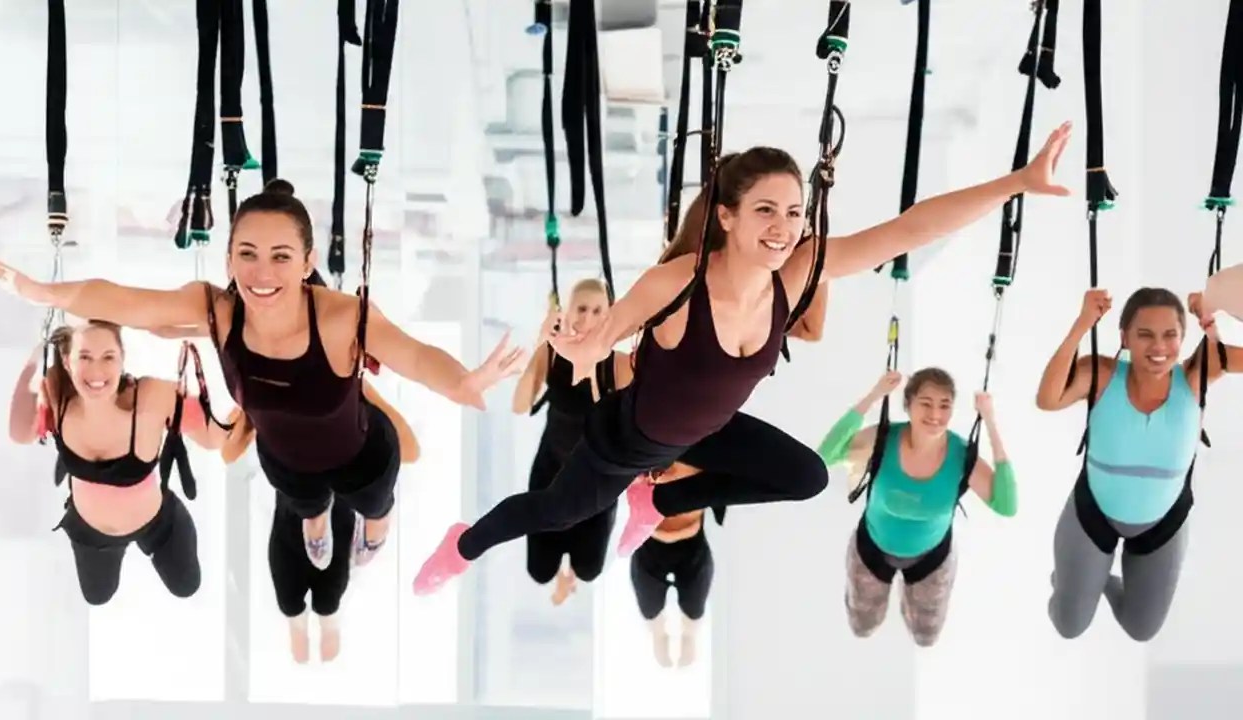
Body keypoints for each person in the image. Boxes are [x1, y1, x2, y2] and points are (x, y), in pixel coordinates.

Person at [411, 122, 1075, 596]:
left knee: (808, 475)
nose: (784, 225)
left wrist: (1015, 182)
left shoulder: (799, 270)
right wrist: (582, 347)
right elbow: (609, 332)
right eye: (765, 210)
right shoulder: (680, 283)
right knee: (557, 511)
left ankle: (662, 498)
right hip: (626, 438)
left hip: (709, 430)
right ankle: (462, 545)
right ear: (727, 216)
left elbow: (907, 229)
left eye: (793, 210)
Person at [0, 179, 524, 574]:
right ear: (230, 259)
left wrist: (461, 382)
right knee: (306, 507)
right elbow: (121, 300)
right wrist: (44, 293)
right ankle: (315, 524)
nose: (262, 273)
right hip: (284, 460)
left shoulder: (339, 318)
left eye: (281, 256)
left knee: (375, 507)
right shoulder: (216, 309)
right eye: (247, 254)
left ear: (308, 262)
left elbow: (417, 355)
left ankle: (373, 532)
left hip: (361, 453)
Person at [1036, 287, 1243, 641]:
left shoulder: (1194, 377)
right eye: (1144, 334)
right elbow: (1048, 399)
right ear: (1125, 338)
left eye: (1170, 335)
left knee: (1141, 629)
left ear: (1183, 338)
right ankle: (1072, 583)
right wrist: (1081, 324)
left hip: (1163, 524)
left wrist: (1214, 313)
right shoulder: (1103, 374)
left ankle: (1096, 581)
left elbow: (1228, 356)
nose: (1158, 347)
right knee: (1069, 625)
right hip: (1093, 515)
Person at [7, 321, 227, 605]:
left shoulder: (151, 398)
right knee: (97, 596)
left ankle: (170, 513)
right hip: (90, 530)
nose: (96, 371)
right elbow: (20, 432)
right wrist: (36, 356)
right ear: (67, 360)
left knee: (187, 585)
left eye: (108, 357)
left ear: (122, 358)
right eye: (84, 357)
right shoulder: (58, 396)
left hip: (156, 521)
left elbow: (214, 437)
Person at [218, 386, 421, 664]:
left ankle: (326, 624)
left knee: (328, 598)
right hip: (298, 506)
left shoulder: (347, 385)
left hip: (333, 506)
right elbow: (229, 452)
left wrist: (362, 390)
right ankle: (300, 626)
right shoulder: (269, 388)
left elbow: (408, 450)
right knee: (289, 598)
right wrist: (251, 411)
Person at [817, 368, 1016, 646]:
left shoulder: (961, 455)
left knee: (926, 637)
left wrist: (991, 422)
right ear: (908, 405)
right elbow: (825, 455)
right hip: (871, 550)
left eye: (944, 405)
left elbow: (1006, 505)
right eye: (926, 403)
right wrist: (874, 395)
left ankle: (910, 604)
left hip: (931, 560)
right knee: (862, 626)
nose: (935, 414)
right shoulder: (884, 440)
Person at [511, 278, 635, 605]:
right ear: (566, 313)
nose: (588, 318)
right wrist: (540, 345)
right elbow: (519, 405)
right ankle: (558, 579)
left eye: (597, 311)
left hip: (597, 479)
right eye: (581, 309)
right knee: (538, 571)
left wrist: (594, 367)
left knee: (589, 568)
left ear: (608, 316)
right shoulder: (551, 355)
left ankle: (572, 579)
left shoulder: (618, 364)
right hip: (550, 470)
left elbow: (632, 424)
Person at [629, 503, 717, 668]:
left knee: (694, 607)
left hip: (691, 545)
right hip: (650, 544)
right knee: (649, 607)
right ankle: (659, 633)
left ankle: (689, 634)